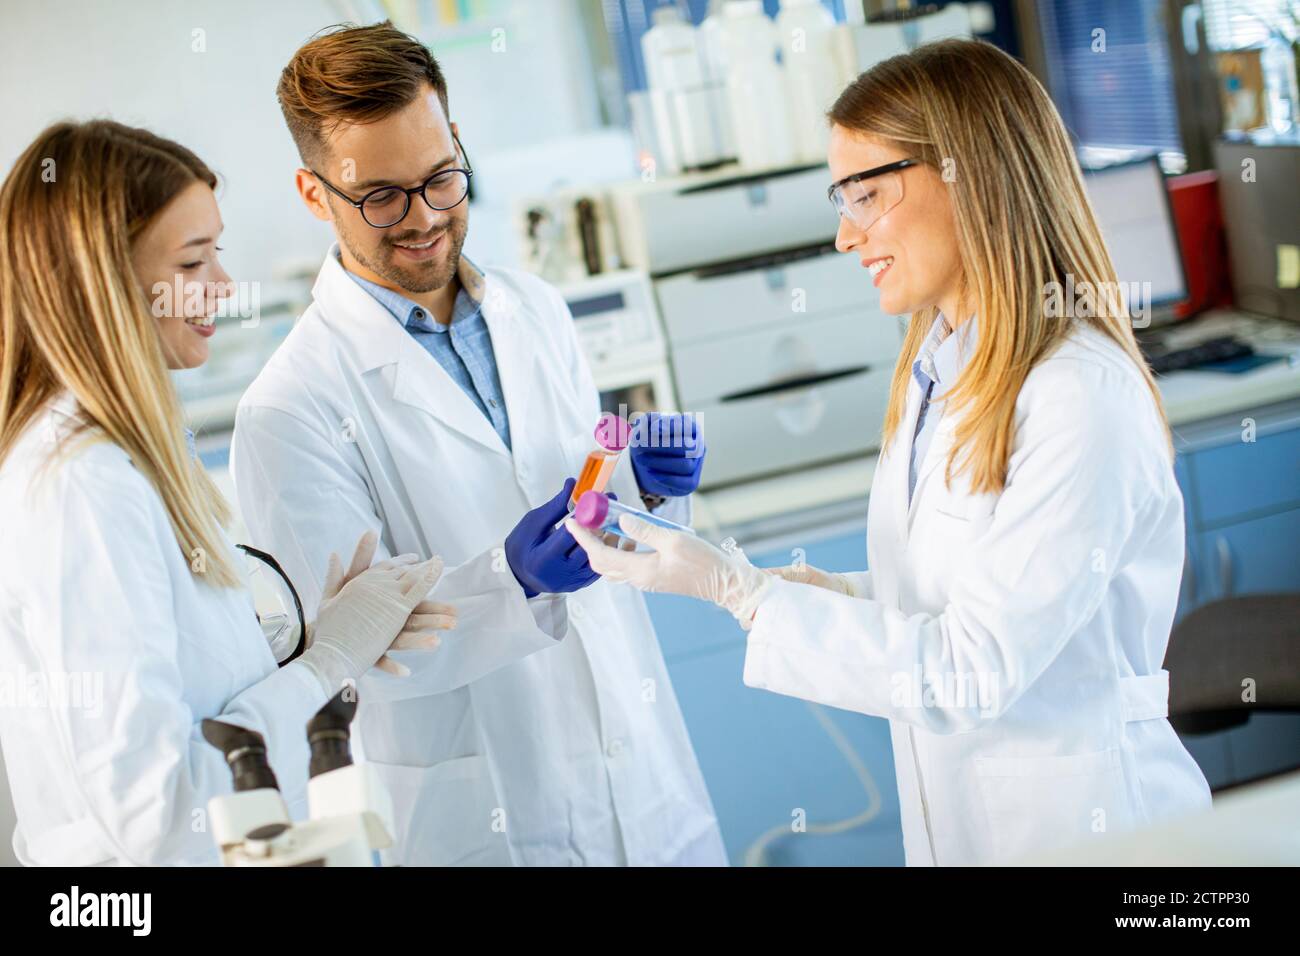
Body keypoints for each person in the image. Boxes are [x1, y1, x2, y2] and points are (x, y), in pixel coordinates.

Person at [569, 39, 1212, 866]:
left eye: (866, 195)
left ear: (968, 175)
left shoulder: (1078, 395)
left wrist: (746, 597)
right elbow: (965, 593)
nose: (845, 236)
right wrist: (829, 593)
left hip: (1097, 832)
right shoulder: (937, 372)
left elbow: (972, 669)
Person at [229, 22, 725, 866]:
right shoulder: (291, 407)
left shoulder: (536, 310)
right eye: (380, 196)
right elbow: (347, 661)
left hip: (641, 773)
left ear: (457, 142)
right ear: (315, 196)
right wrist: (512, 580)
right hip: (486, 804)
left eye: (440, 178)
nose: (423, 219)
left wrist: (636, 489)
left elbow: (578, 501)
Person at [0, 120, 451, 865]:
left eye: (218, 253)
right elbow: (162, 813)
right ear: (102, 284)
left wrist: (312, 640)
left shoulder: (117, 453)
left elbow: (188, 687)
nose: (221, 287)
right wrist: (324, 665)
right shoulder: (83, 484)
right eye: (191, 261)